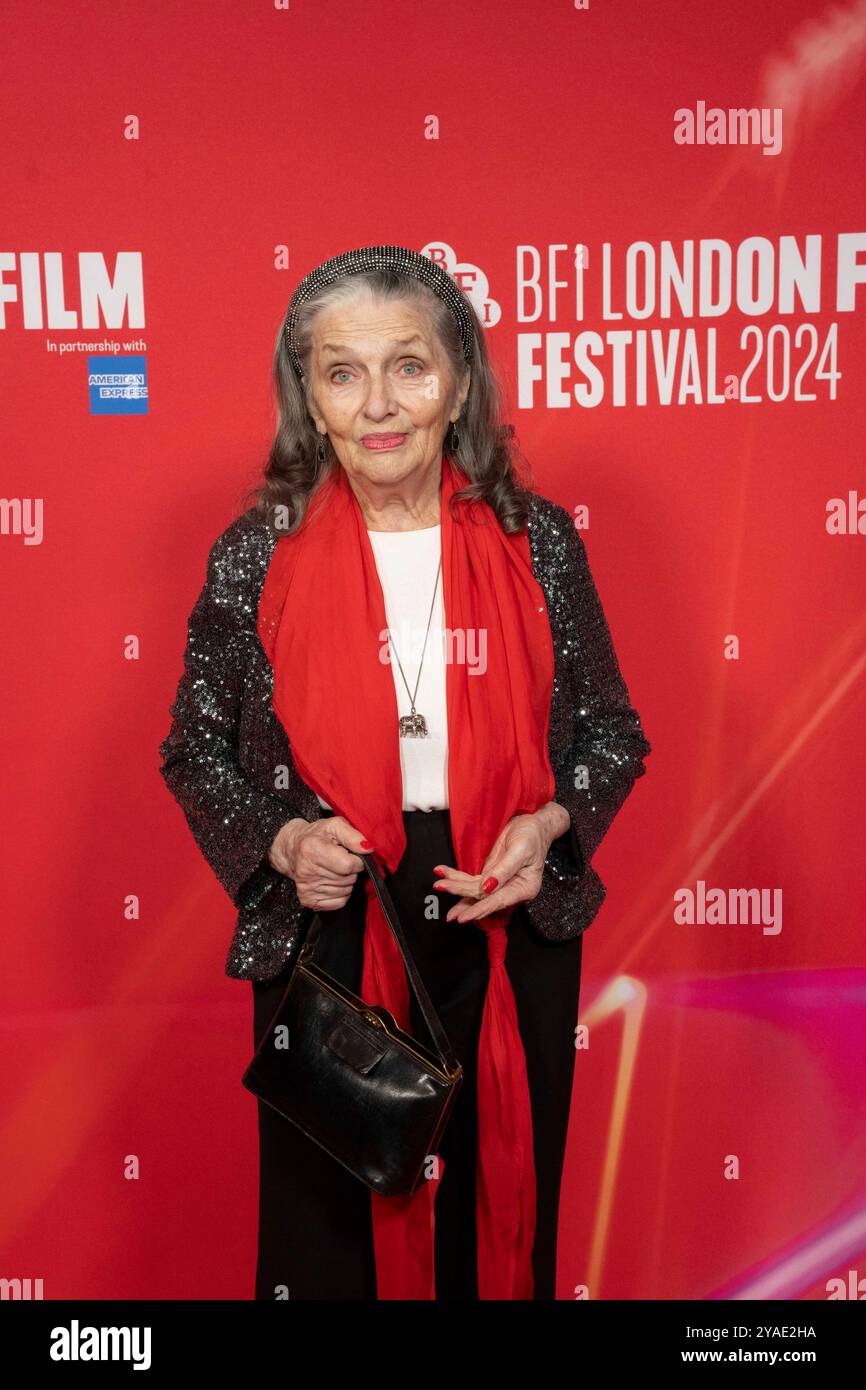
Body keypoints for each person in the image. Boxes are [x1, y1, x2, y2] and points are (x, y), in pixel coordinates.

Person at [158, 244, 652, 1301]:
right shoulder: (259, 554)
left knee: (492, 1215)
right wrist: (285, 843)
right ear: (309, 396)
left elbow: (612, 731)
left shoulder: (537, 543)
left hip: (501, 910)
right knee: (326, 1237)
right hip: (334, 916)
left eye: (409, 367)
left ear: (459, 381)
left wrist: (550, 824)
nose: (379, 403)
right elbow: (192, 750)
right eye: (342, 372)